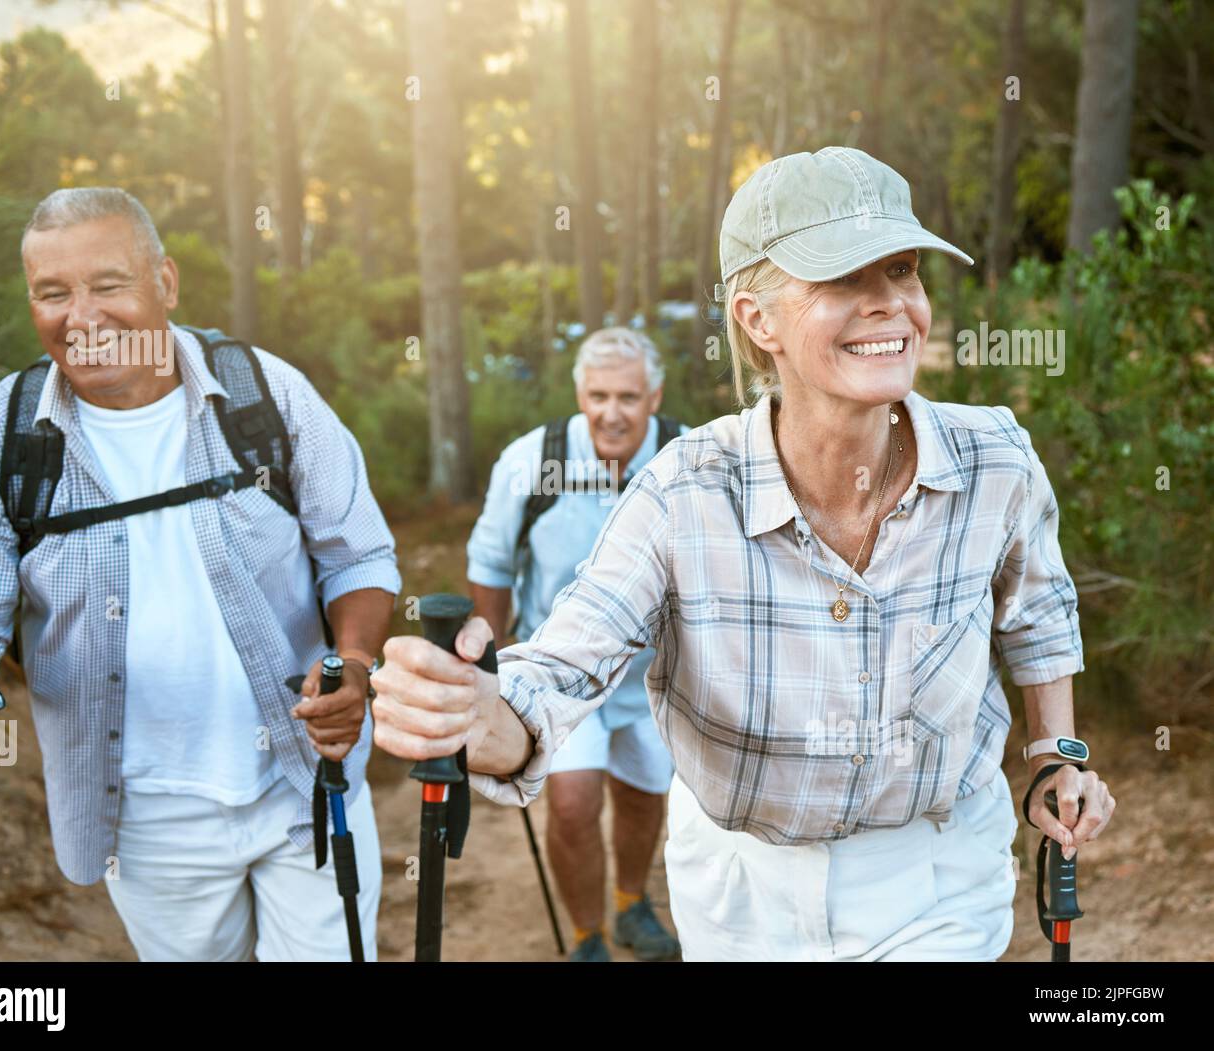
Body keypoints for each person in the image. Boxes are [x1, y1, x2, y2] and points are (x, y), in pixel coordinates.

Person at [370, 147, 1117, 961]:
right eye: (842, 279)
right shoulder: (681, 491)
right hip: (739, 890)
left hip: (933, 871)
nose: (890, 305)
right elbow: (564, 663)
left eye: (902, 269)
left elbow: (1038, 616)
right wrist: (486, 713)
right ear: (758, 319)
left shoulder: (995, 461)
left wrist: (1055, 755)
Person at [0, 187, 400, 962]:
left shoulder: (264, 395)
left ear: (165, 283)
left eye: (109, 284)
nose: (83, 316)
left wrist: (358, 663)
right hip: (143, 818)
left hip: (305, 782)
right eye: (53, 292)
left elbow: (359, 556)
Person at [466, 328, 685, 962]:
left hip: (655, 675)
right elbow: (491, 562)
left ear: (654, 395)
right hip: (558, 672)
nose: (611, 413)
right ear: (578, 394)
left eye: (627, 396)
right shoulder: (534, 460)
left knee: (645, 796)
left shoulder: (684, 454)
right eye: (597, 396)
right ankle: (587, 935)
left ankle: (630, 903)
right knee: (572, 800)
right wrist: (488, 671)